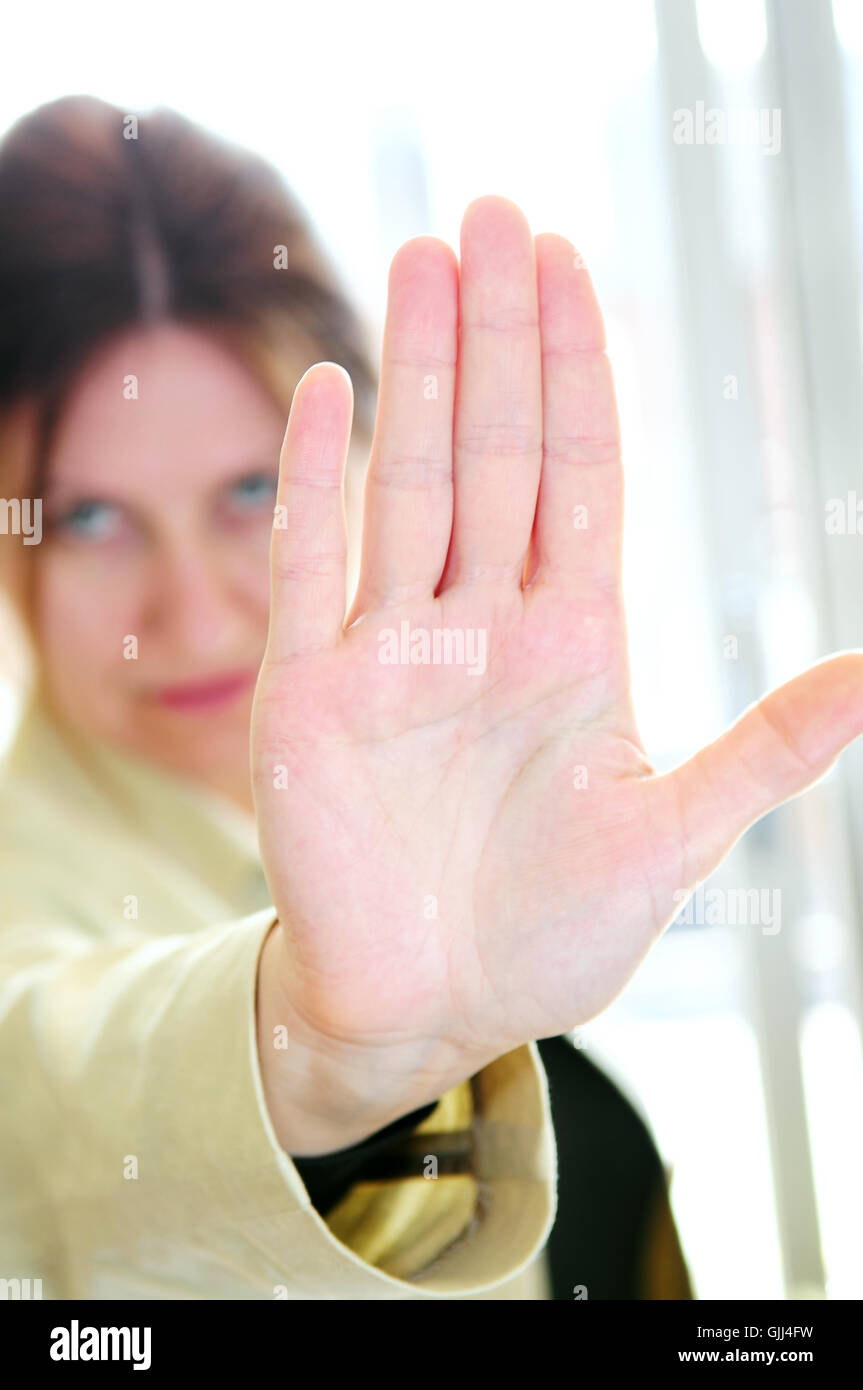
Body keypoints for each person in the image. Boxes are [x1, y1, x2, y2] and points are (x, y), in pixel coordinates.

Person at [2, 96, 858, 1302]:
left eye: (253, 491)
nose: (191, 615)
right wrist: (318, 1058)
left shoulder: (467, 787)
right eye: (92, 518)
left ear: (363, 458)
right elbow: (51, 1109)